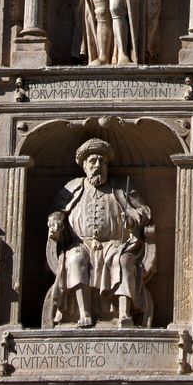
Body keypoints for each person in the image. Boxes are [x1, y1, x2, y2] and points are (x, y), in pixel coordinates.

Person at [44, 138, 152, 329]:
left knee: (124, 260)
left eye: (101, 161)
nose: (97, 166)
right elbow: (58, 210)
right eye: (92, 161)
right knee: (75, 259)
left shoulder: (119, 187)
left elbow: (144, 211)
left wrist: (133, 218)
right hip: (81, 244)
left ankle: (124, 314)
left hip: (114, 244)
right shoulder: (73, 187)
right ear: (84, 165)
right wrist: (55, 220)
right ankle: (84, 313)